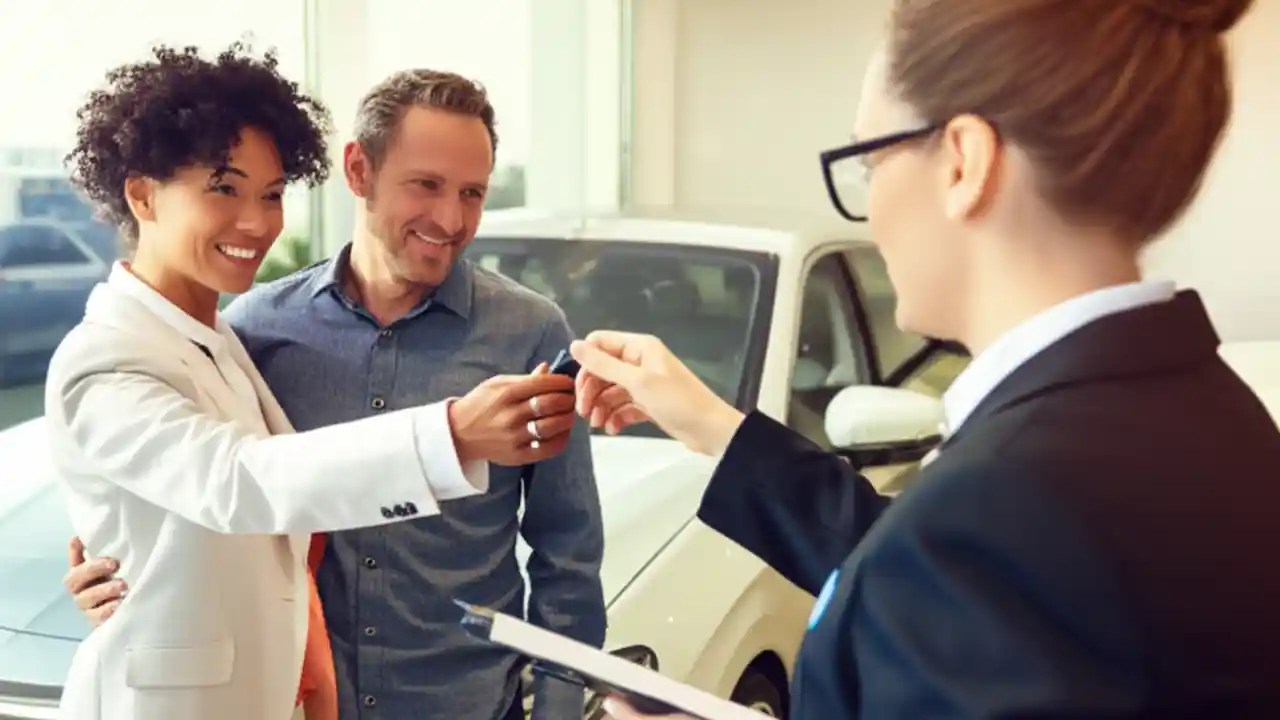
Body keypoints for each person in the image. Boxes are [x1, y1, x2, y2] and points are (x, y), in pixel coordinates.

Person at [569, 1, 1280, 718]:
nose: (870, 205)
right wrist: (715, 427)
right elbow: (923, 581)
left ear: (964, 163)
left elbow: (953, 569)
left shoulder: (1000, 504)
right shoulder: (1212, 417)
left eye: (869, 159)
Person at [49, 43, 580, 720]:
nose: (256, 221)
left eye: (271, 195)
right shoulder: (150, 347)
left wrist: (134, 559)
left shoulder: (218, 340)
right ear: (142, 193)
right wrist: (452, 435)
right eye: (224, 187)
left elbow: (567, 549)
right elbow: (241, 480)